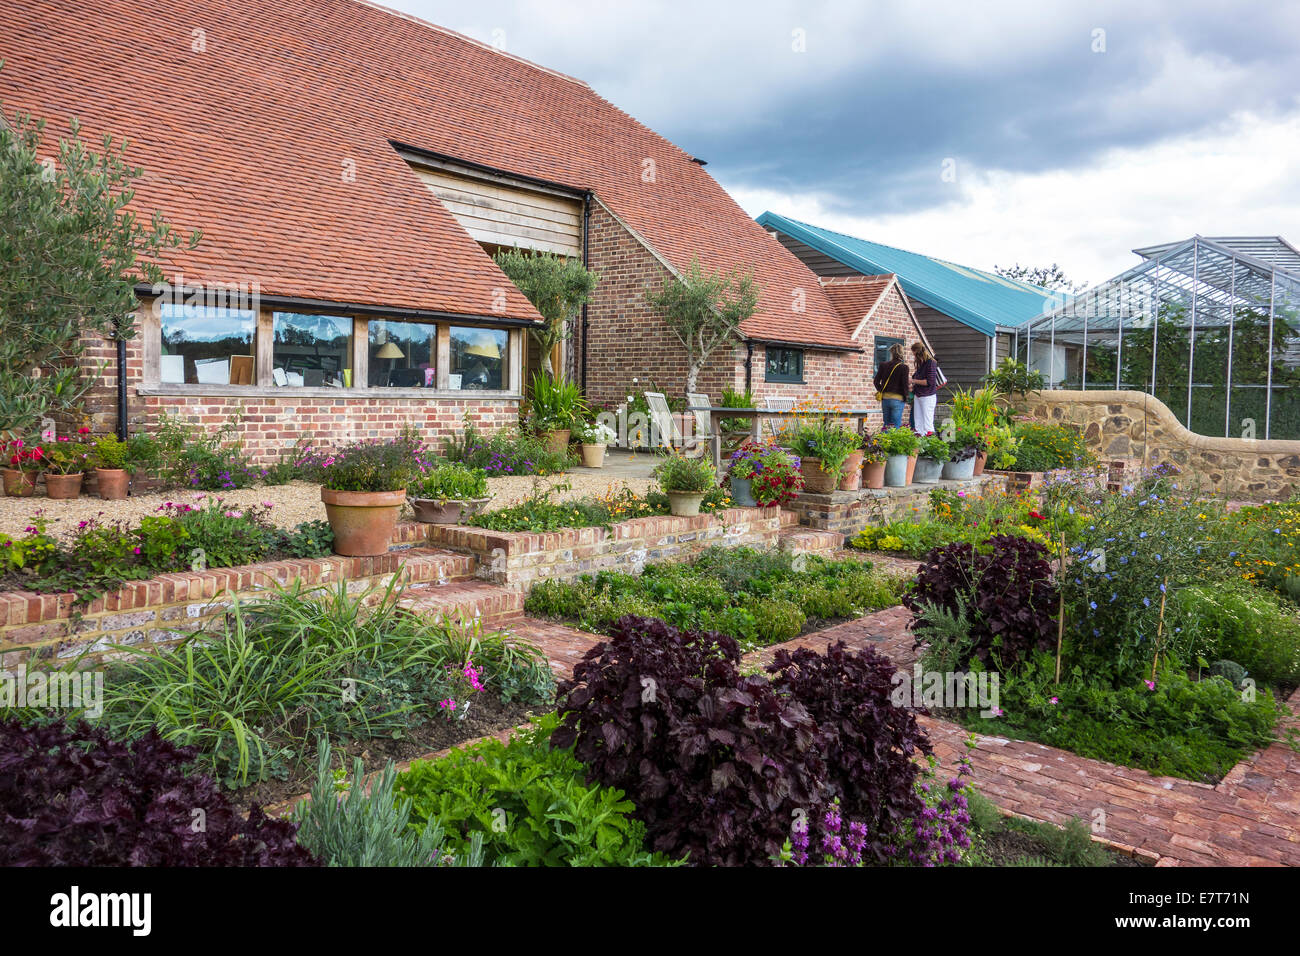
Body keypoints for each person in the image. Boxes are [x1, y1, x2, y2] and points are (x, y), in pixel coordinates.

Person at [873, 343, 910, 429]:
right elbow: (905, 385)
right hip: (898, 399)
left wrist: (882, 390)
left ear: (891, 353)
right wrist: (906, 397)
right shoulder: (904, 367)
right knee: (896, 425)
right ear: (902, 353)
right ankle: (893, 442)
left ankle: (883, 442)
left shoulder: (883, 365)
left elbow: (876, 381)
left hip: (885, 398)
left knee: (886, 424)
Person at [910, 342, 940, 435]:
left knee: (927, 423)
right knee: (918, 423)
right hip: (918, 395)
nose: (913, 356)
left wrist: (913, 381)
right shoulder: (921, 364)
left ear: (917, 353)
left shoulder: (931, 363)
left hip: (927, 396)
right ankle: (920, 446)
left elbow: (929, 382)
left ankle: (930, 445)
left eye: (914, 353)